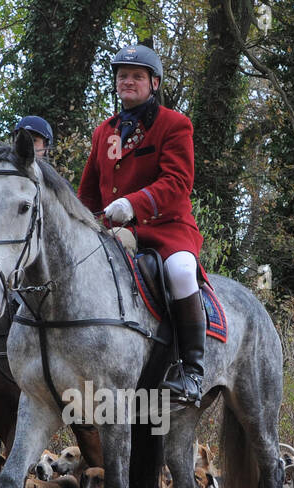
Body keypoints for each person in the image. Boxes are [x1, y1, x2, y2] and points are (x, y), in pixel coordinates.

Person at [78, 44, 207, 408]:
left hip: (167, 226)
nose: (128, 82)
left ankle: (191, 371)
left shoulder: (174, 125)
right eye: (122, 77)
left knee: (181, 271)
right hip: (116, 229)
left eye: (136, 76)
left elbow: (178, 182)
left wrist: (132, 204)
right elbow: (87, 194)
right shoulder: (105, 133)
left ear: (154, 83)